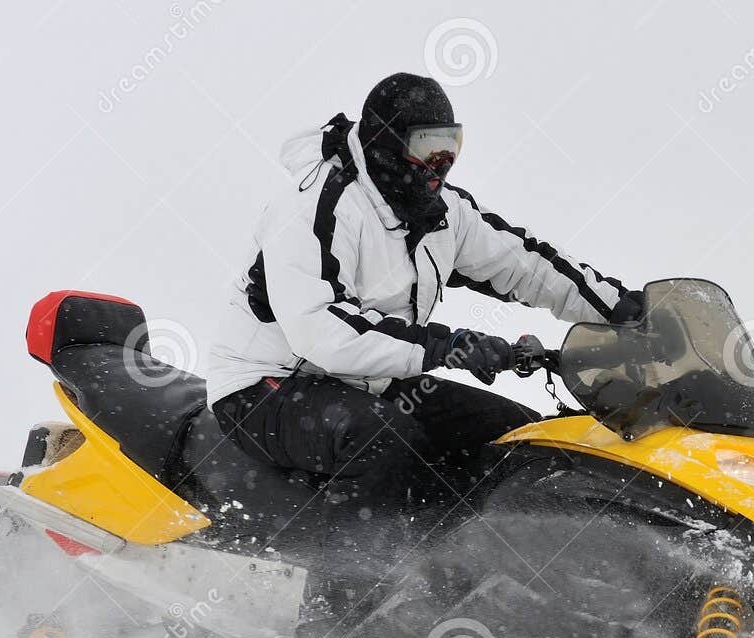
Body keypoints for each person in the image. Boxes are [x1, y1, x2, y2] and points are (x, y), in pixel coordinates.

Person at [206, 72, 643, 518]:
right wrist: (445, 347)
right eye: (427, 146)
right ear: (385, 143)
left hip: (371, 378)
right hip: (266, 386)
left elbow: (527, 264)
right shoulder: (317, 205)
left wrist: (625, 311)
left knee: (517, 436)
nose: (441, 161)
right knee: (384, 441)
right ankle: (350, 564)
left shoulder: (439, 212)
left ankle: (486, 551)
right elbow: (322, 331)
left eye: (451, 146)